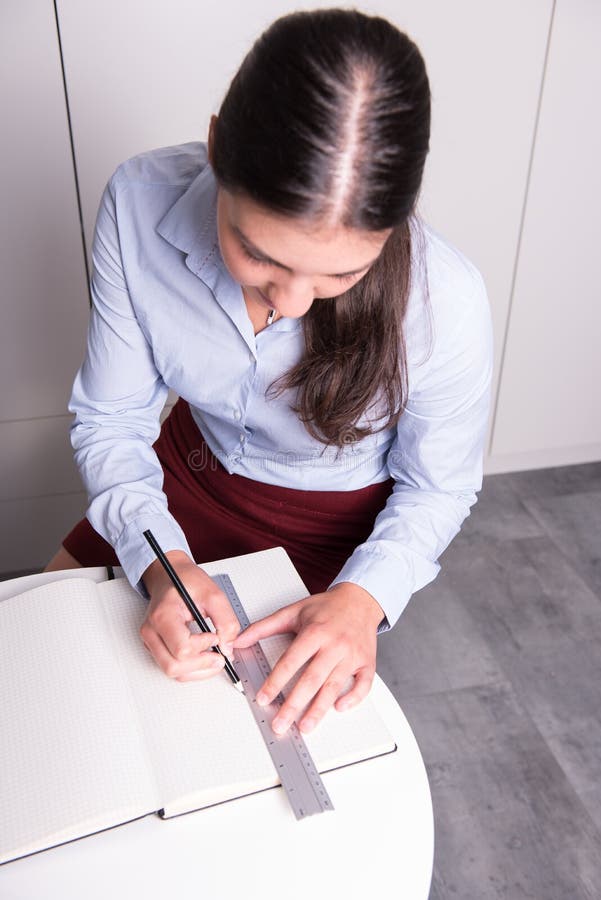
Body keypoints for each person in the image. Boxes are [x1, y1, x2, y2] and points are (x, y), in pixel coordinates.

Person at [46, 8, 492, 737]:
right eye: (260, 255)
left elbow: (437, 487)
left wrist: (360, 601)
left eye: (339, 273)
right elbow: (112, 420)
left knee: (226, 740)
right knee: (46, 672)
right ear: (219, 144)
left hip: (327, 529)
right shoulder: (138, 199)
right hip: (179, 475)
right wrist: (159, 564)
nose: (288, 303)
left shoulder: (445, 301)